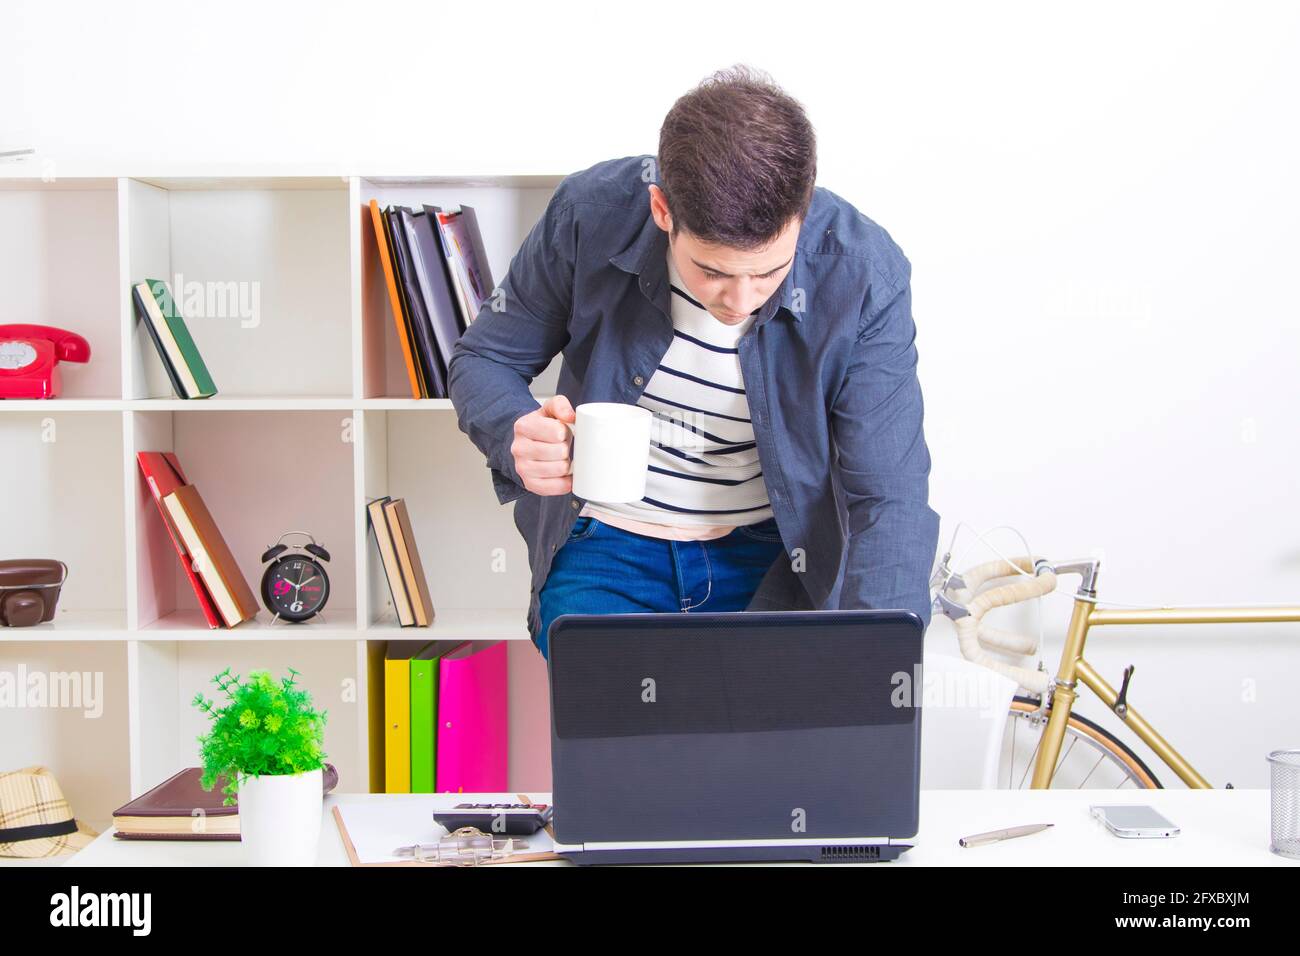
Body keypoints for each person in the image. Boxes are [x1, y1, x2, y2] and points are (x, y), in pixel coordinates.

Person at [448, 65, 940, 660]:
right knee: (614, 748)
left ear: (802, 213)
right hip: (606, 549)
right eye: (712, 272)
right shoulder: (589, 213)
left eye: (769, 273)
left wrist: (877, 658)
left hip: (773, 559)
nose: (740, 302)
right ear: (662, 210)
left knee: (751, 752)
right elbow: (484, 359)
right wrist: (514, 431)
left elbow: (888, 495)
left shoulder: (864, 272)